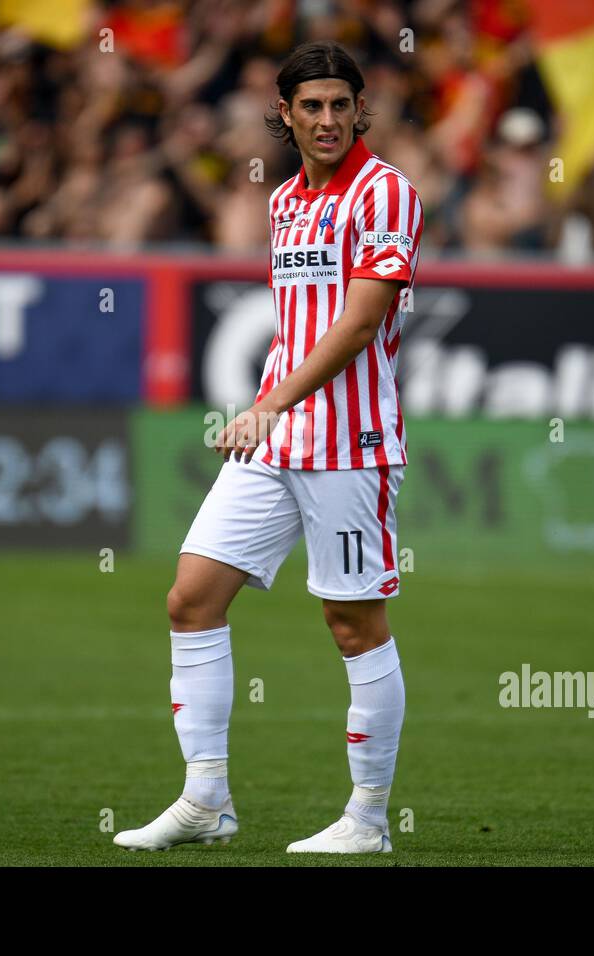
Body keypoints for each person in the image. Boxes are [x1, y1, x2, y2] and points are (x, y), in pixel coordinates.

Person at [114, 40, 423, 854]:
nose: (327, 119)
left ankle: (368, 819)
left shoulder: (386, 194)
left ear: (362, 108)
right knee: (190, 598)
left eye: (340, 104)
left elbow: (358, 324)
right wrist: (265, 408)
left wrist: (266, 402)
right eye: (310, 106)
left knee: (352, 623)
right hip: (277, 439)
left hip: (348, 444)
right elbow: (299, 327)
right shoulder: (285, 200)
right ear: (284, 114)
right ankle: (206, 798)